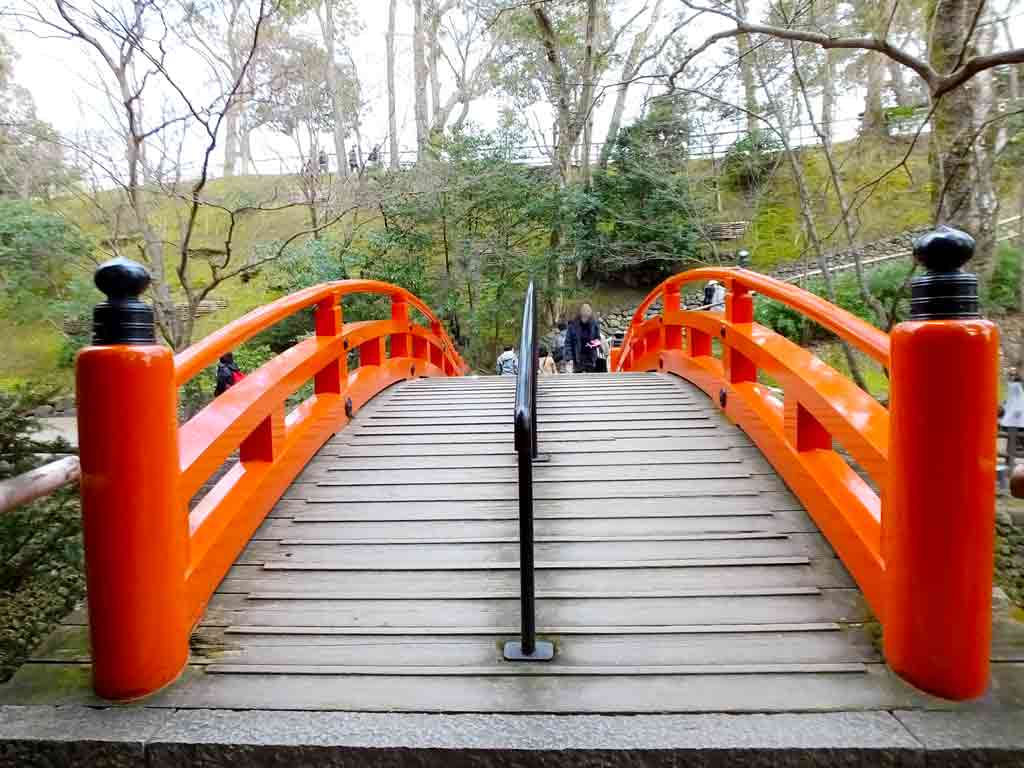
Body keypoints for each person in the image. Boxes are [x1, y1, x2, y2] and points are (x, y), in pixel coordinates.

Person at [565, 302, 602, 373]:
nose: (586, 312)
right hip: (577, 358)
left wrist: (592, 344)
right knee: (578, 377)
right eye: (584, 310)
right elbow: (568, 342)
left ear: (590, 312)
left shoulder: (594, 324)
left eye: (588, 310)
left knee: (591, 377)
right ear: (580, 312)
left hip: (591, 358)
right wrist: (569, 358)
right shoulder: (573, 325)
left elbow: (598, 340)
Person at [1002, 369, 1024, 484]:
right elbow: (1010, 399)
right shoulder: (1011, 385)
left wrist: (1017, 410)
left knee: (1013, 440)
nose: (1011, 376)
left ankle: (1011, 465)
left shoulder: (1016, 385)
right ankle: (1010, 464)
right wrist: (1006, 404)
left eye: (1013, 374)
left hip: (1014, 417)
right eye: (1010, 374)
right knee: (1011, 441)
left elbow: (1020, 399)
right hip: (1011, 415)